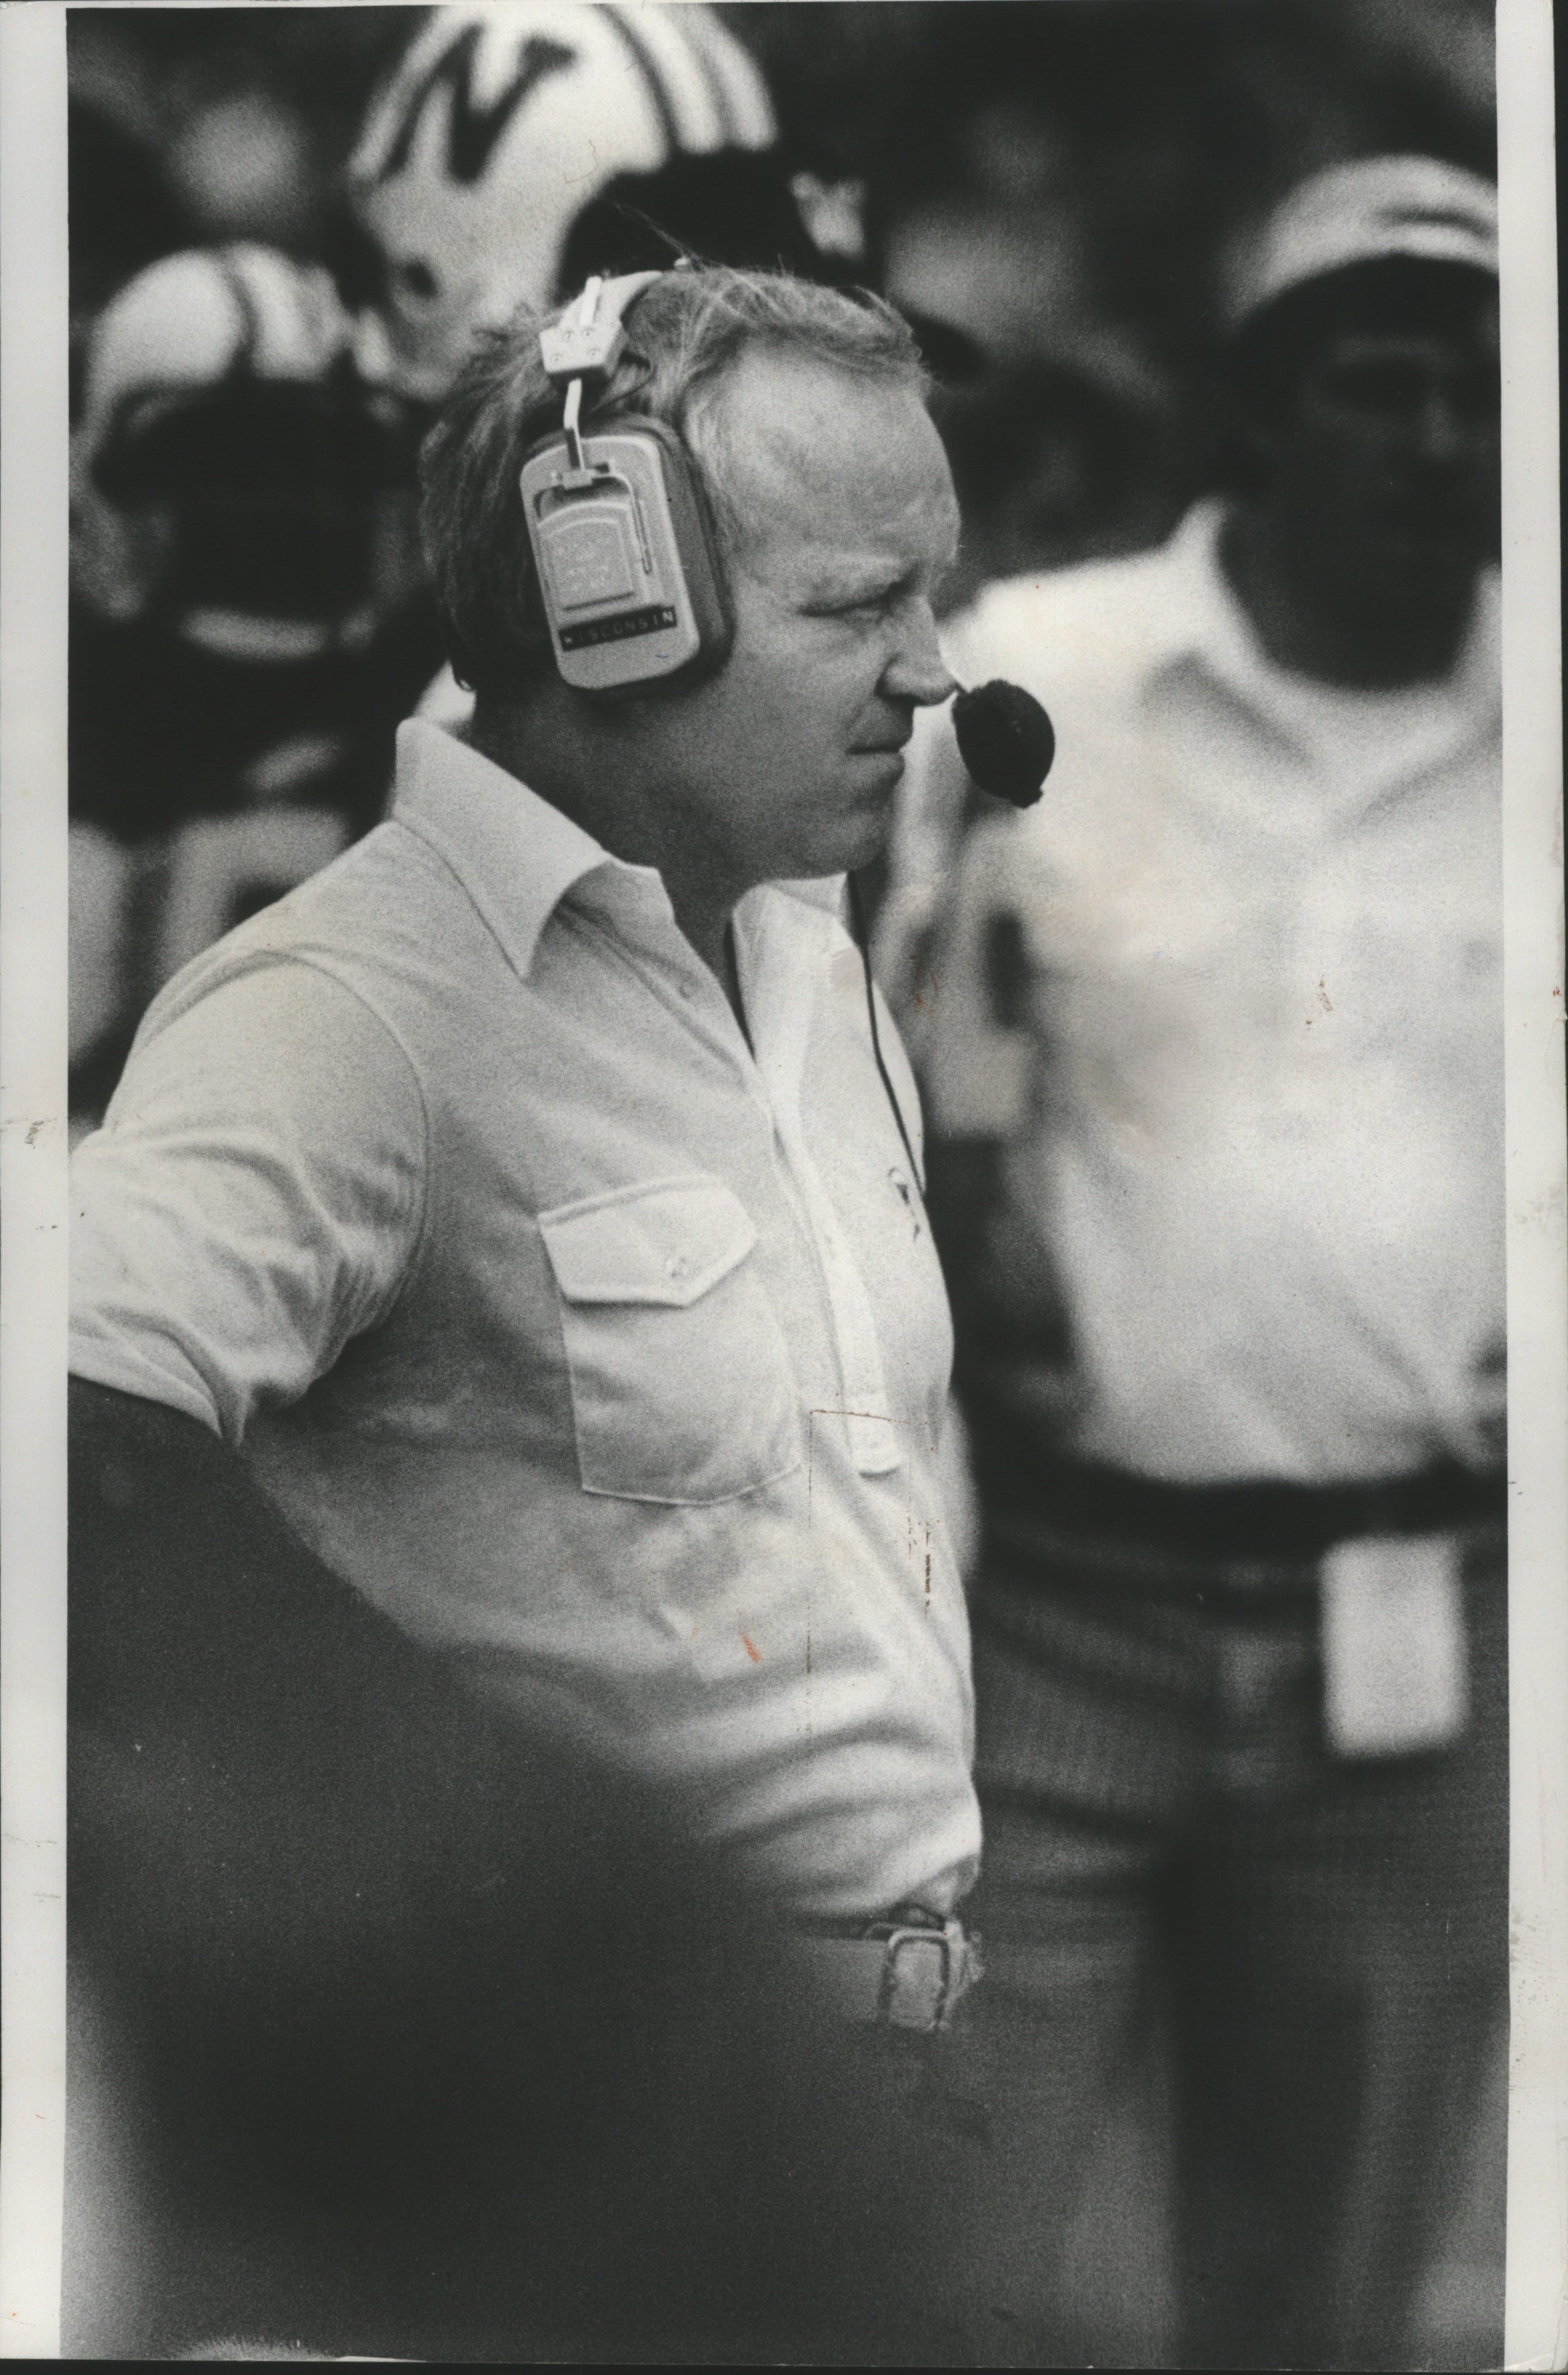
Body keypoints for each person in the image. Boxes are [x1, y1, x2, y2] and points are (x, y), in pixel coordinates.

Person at [70, 270, 1005, 2299]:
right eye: (862, 606)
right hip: (577, 2143)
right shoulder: (343, 1011)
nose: (934, 674)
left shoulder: (810, 954)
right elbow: (60, 1447)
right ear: (610, 595)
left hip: (878, 2082)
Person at [892, 154, 1505, 2371]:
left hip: (1420, 1647)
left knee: (1319, 2305)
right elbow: (883, 1037)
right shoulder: (1042, 681)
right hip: (1049, 1624)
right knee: (926, 2264)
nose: (1442, 437)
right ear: (1260, 408)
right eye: (1380, 382)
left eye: (1485, 388)